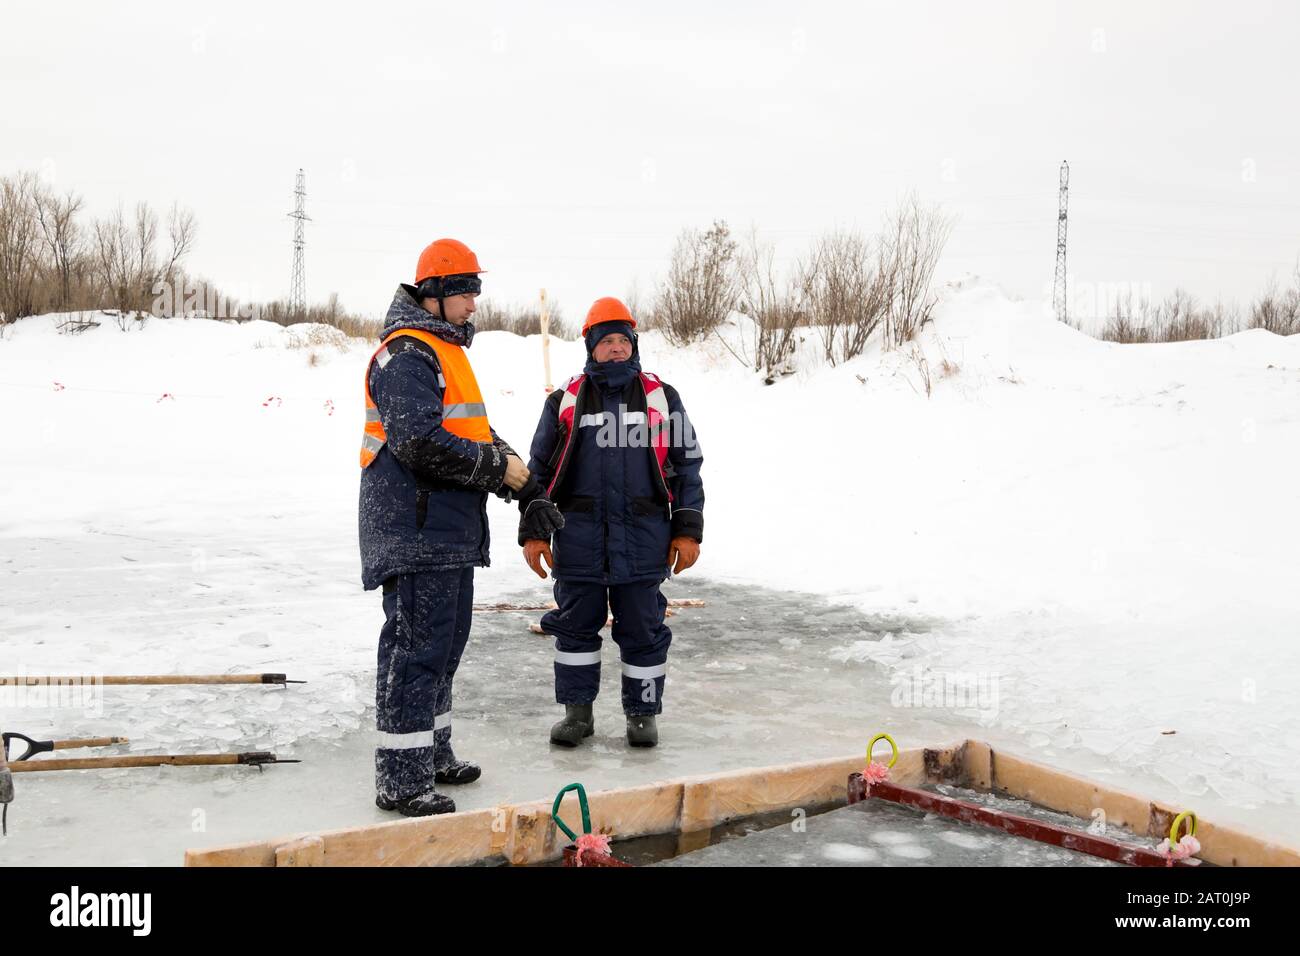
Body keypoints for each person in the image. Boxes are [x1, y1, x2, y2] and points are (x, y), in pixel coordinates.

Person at [358, 238, 558, 816]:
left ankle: (432, 753)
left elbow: (476, 437)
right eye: (467, 290)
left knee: (443, 649)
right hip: (414, 531)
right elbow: (419, 443)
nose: (475, 302)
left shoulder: (445, 353)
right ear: (438, 293)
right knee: (416, 651)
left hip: (446, 531)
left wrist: (529, 488)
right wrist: (501, 470)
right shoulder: (406, 357)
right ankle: (401, 776)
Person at [517, 297, 704, 748]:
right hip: (577, 538)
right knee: (575, 628)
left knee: (643, 630)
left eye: (623, 341)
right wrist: (535, 531)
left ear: (633, 345)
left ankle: (642, 714)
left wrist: (687, 528)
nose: (616, 349)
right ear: (591, 347)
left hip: (644, 540)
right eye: (607, 342)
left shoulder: (662, 396)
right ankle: (577, 715)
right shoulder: (566, 398)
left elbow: (687, 466)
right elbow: (537, 470)